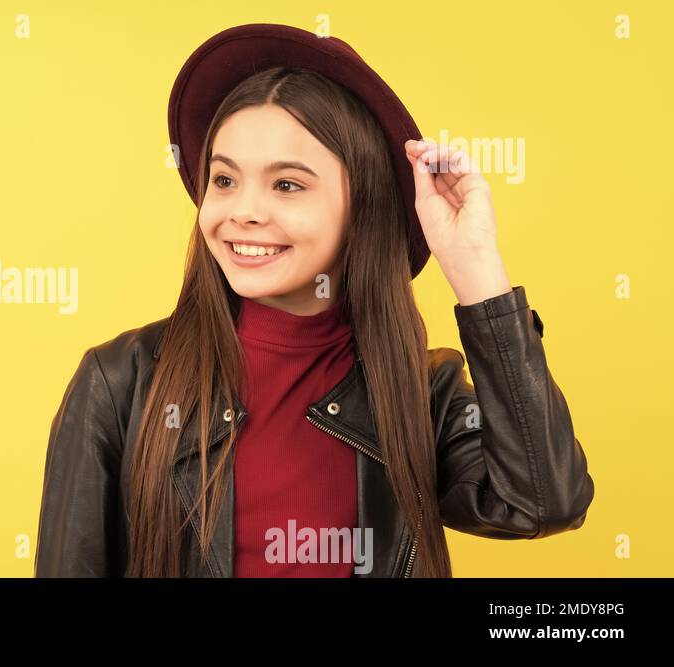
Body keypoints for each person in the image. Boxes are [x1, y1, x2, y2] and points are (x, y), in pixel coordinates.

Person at [34, 24, 594, 578]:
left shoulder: (421, 393)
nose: (244, 211)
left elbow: (543, 504)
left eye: (287, 185)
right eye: (224, 180)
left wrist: (476, 270)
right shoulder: (120, 382)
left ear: (362, 206)